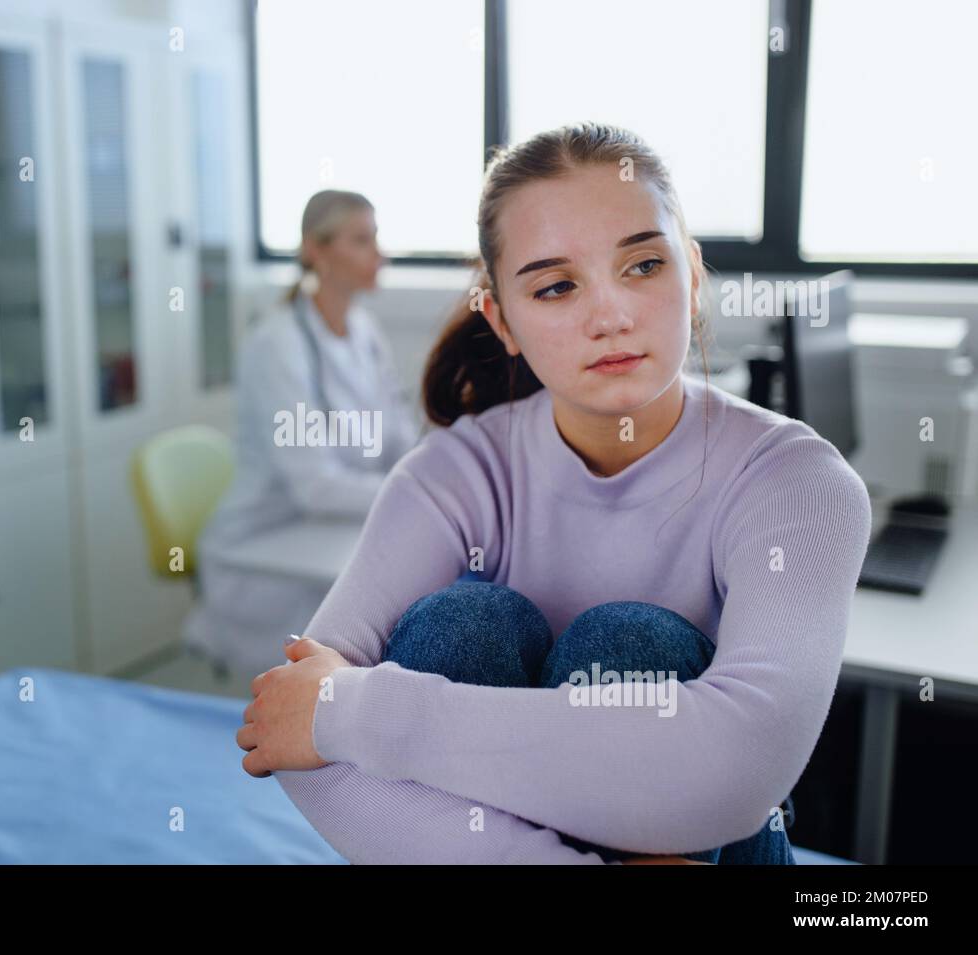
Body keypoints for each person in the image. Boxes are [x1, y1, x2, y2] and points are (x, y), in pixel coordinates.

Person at [235, 122, 873, 864]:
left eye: (641, 265)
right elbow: (292, 729)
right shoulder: (456, 470)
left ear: (692, 275)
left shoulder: (798, 482)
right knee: (462, 625)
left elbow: (733, 769)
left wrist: (359, 710)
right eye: (557, 286)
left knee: (629, 644)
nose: (610, 315)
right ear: (503, 319)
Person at [184, 190, 420, 680]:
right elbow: (315, 487)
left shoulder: (363, 329)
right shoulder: (278, 343)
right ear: (316, 249)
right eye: (362, 240)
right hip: (267, 543)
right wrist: (411, 494)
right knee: (375, 622)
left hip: (332, 529)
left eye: (376, 237)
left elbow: (399, 432)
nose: (380, 253)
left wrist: (426, 474)